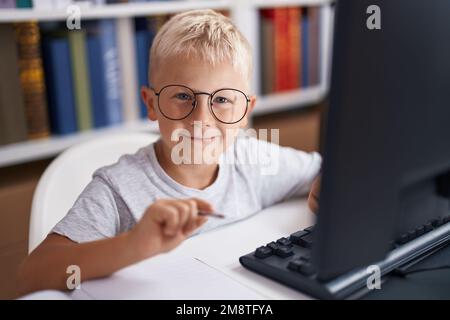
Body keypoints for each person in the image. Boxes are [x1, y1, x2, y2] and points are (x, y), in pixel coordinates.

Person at [17, 9, 321, 295]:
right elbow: (29, 277)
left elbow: (325, 169)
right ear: (151, 104)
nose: (201, 119)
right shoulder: (118, 189)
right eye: (183, 96)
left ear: (245, 111)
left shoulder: (254, 161)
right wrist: (134, 245)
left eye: (222, 100)